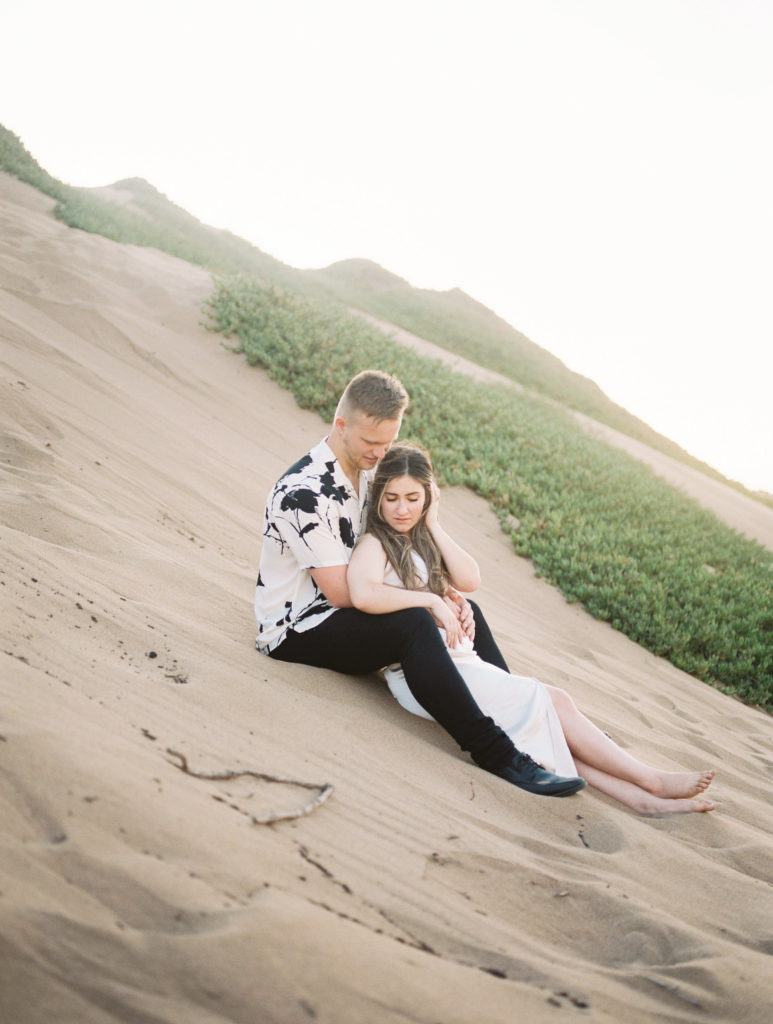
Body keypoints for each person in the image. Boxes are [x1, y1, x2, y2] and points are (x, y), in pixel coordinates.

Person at [255, 369, 584, 796]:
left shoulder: (372, 473)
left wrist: (442, 592)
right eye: (371, 443)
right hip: (298, 628)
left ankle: (511, 709)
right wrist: (427, 602)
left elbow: (397, 548)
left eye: (388, 442)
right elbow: (341, 593)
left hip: (357, 606)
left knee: (469, 611)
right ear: (341, 425)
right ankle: (496, 752)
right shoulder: (303, 491)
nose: (380, 452)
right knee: (413, 622)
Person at [347, 443, 717, 815]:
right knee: (555, 702)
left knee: (550, 721)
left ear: (429, 497)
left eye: (413, 498)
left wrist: (433, 524)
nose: (402, 508)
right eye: (391, 498)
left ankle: (640, 799)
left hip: (463, 664)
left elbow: (470, 578)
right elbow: (363, 594)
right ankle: (649, 778)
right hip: (429, 676)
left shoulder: (419, 540)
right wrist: (431, 601)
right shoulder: (375, 543)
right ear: (378, 497)